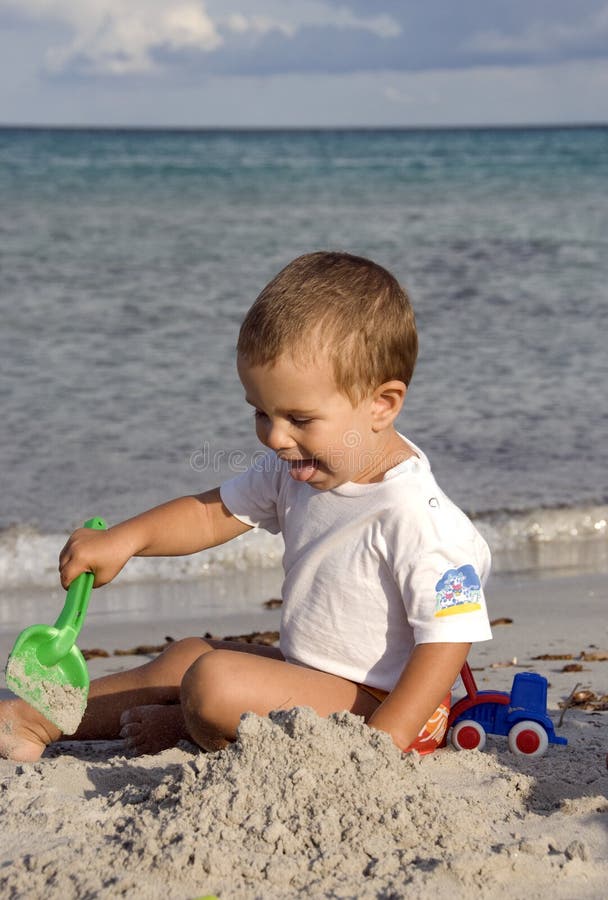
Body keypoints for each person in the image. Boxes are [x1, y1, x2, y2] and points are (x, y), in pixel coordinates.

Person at [0, 251, 492, 763]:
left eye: (300, 418)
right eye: (261, 412)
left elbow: (448, 639)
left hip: (387, 706)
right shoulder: (302, 468)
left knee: (213, 682)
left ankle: (189, 726)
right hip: (313, 676)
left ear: (382, 405)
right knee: (187, 656)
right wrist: (125, 540)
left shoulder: (419, 517)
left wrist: (381, 745)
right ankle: (38, 719)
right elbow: (211, 513)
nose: (276, 438)